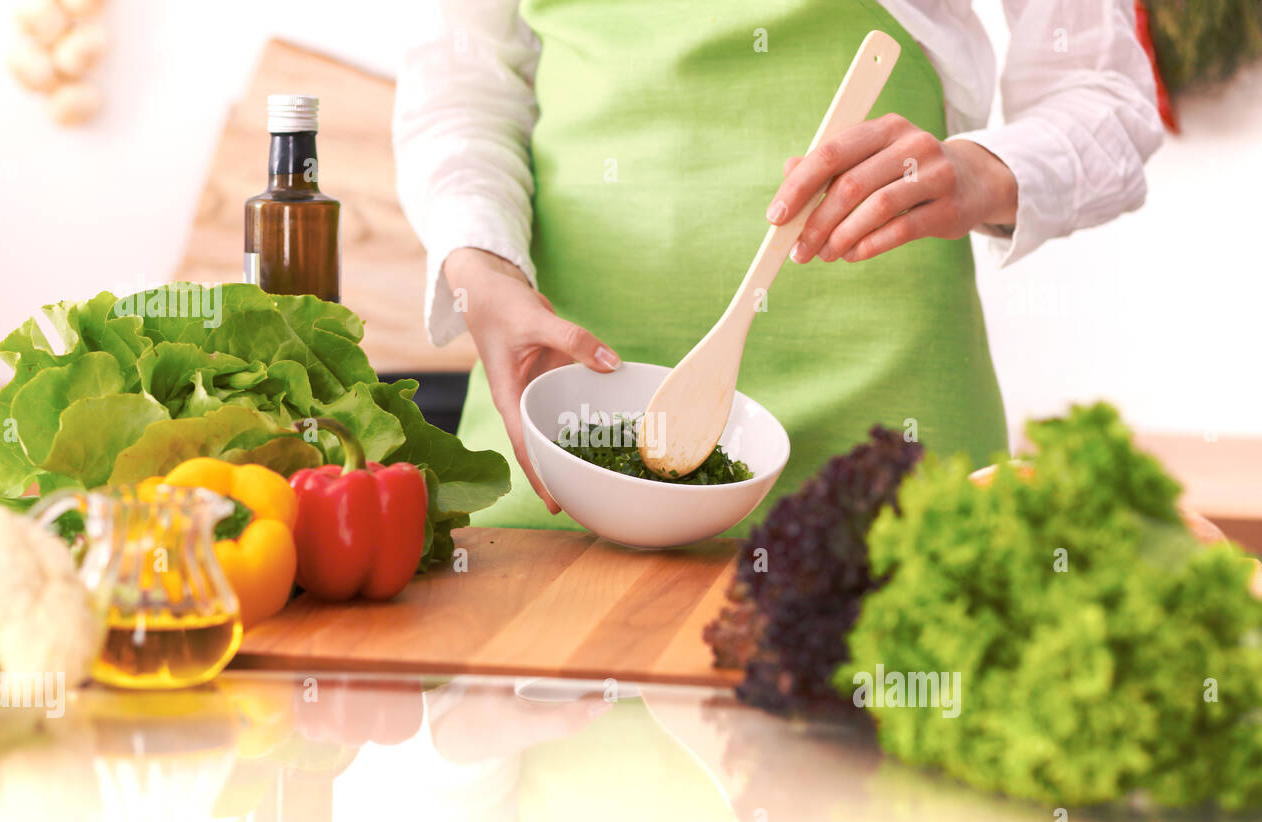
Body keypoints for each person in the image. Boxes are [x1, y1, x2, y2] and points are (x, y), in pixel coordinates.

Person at [395, 0, 1163, 532]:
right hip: (568, 424)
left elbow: (1102, 95)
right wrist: (479, 264)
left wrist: (979, 171)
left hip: (885, 414)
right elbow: (460, 86)